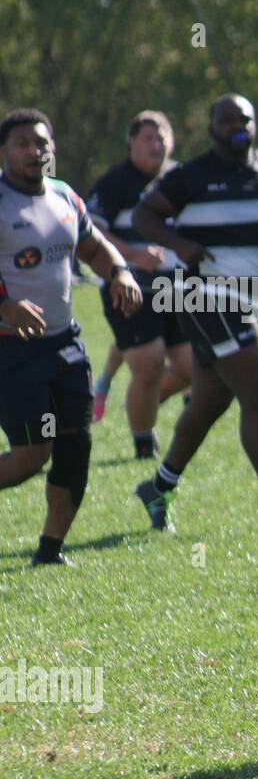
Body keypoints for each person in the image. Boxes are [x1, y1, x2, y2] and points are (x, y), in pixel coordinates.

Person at [131, 93, 258, 532]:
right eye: (227, 119)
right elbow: (144, 215)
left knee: (211, 401)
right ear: (212, 128)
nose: (237, 125)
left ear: (255, 124)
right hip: (204, 295)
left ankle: (158, 486)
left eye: (245, 118)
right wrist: (179, 244)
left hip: (253, 299)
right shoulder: (192, 175)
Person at [0, 109, 142, 565]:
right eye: (22, 143)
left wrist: (119, 272)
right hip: (11, 349)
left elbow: (95, 245)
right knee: (32, 453)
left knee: (75, 444)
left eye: (41, 143)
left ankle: (50, 550)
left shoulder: (64, 197)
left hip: (65, 344)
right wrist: (4, 307)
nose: (33, 151)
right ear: (3, 153)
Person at [86, 110, 191, 458]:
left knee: (196, 367)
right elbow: (90, 231)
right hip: (128, 287)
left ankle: (138, 401)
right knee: (149, 361)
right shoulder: (114, 182)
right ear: (131, 142)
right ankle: (143, 442)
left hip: (177, 288)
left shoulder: (180, 178)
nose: (156, 144)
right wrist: (132, 254)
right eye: (148, 137)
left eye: (162, 137)